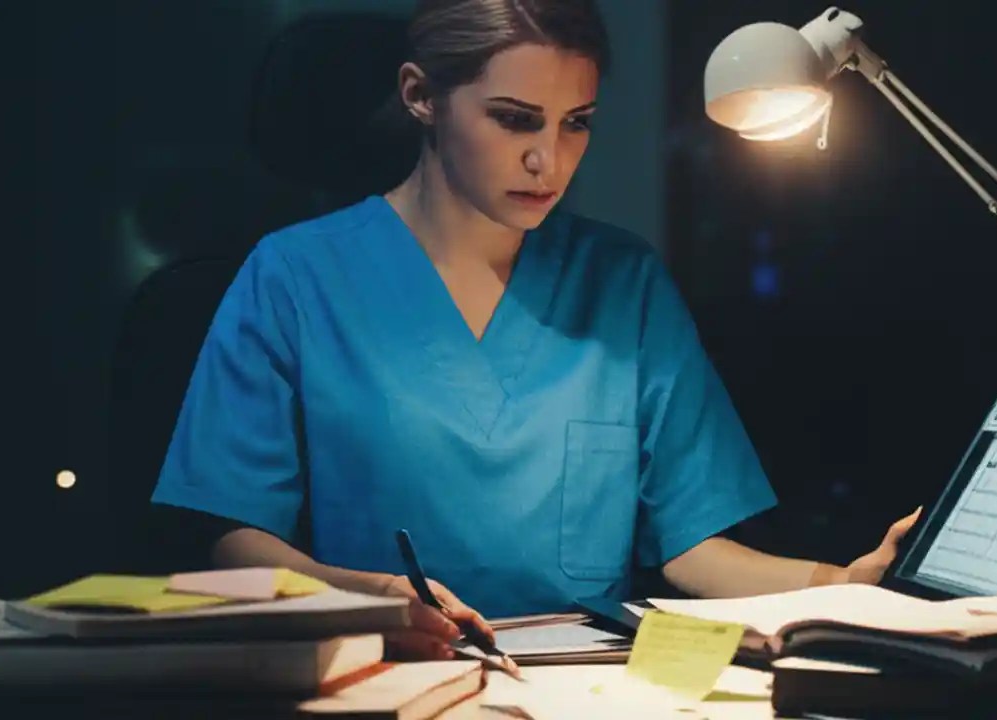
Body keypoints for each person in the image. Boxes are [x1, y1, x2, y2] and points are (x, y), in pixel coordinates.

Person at [150, 0, 919, 660]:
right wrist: (378, 597)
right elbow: (234, 542)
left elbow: (692, 550)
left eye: (575, 123)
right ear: (421, 96)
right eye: (514, 119)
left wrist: (838, 584)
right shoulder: (296, 277)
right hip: (386, 671)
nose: (547, 159)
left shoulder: (620, 283)